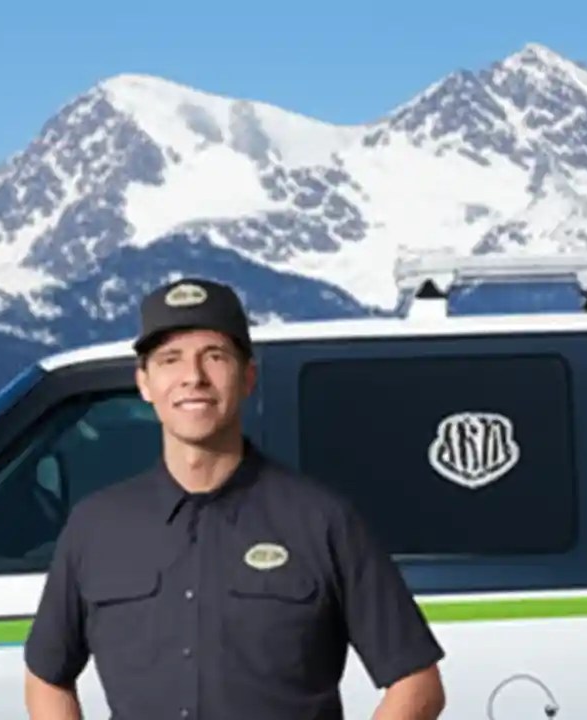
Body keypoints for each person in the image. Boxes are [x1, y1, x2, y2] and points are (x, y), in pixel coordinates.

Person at [22, 277, 446, 720]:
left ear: (248, 377)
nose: (193, 377)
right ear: (144, 384)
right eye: (170, 359)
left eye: (215, 357)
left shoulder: (322, 521)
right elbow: (46, 678)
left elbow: (416, 684)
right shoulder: (95, 529)